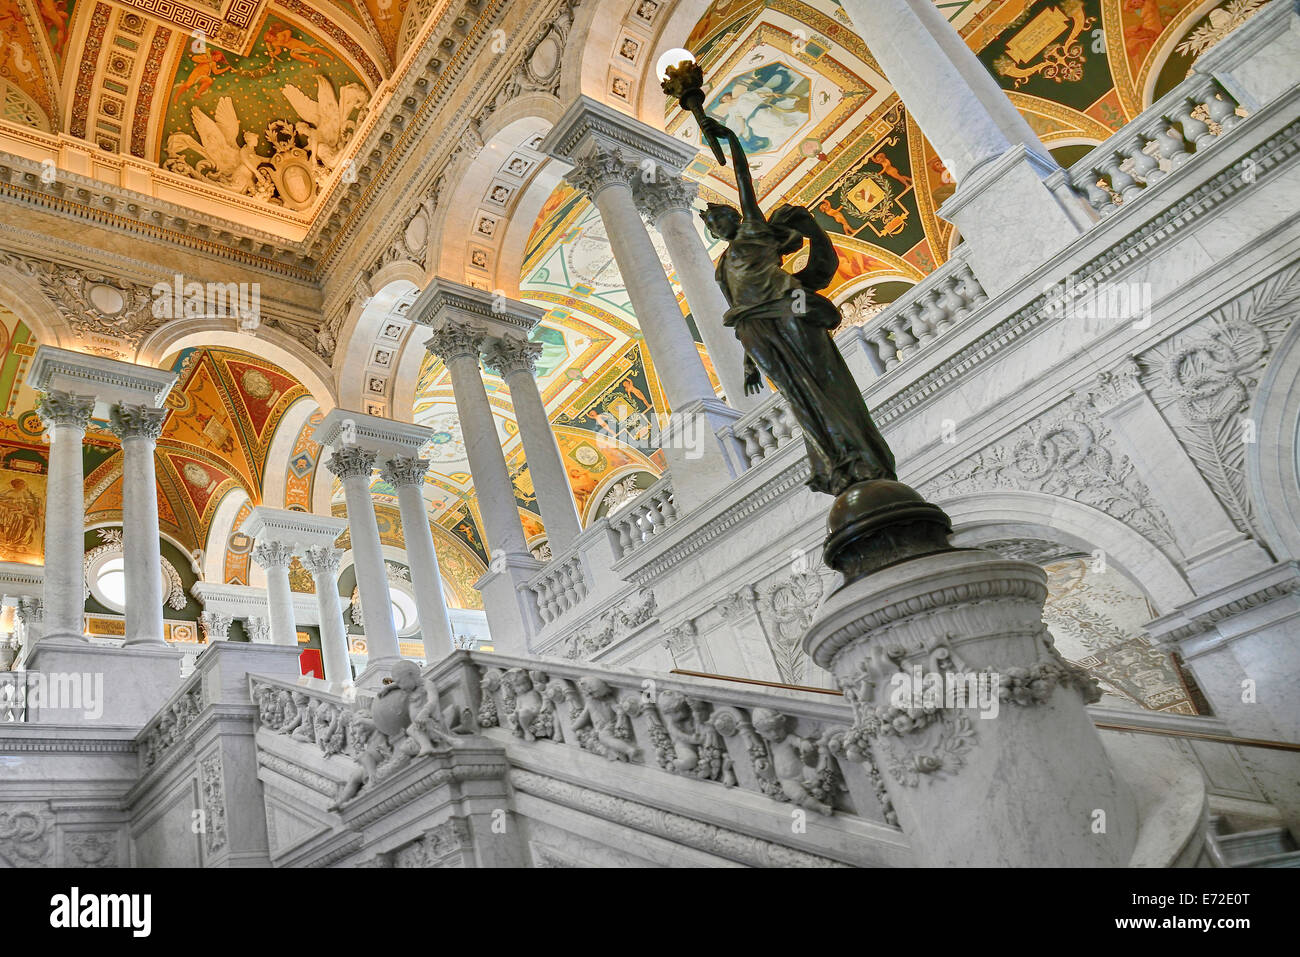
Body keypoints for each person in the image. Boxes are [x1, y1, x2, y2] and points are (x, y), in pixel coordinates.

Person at [698, 114, 896, 495]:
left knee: (820, 381)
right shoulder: (722, 267)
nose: (717, 226)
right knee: (795, 393)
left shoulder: (753, 231)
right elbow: (737, 306)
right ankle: (833, 463)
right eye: (711, 226)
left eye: (721, 217)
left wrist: (728, 138)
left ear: (735, 216)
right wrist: (747, 363)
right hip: (753, 329)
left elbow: (744, 182)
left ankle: (859, 455)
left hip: (789, 308)